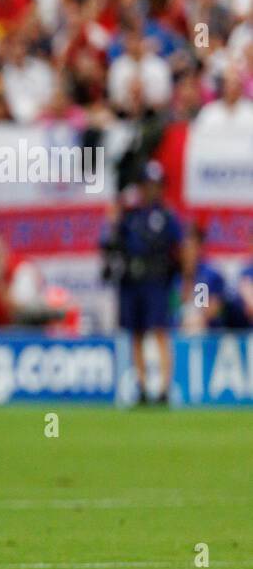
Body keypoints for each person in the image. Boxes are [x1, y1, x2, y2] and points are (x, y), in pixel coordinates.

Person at [100, 172, 181, 405]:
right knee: (136, 333)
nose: (151, 189)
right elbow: (110, 245)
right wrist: (113, 219)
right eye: (147, 185)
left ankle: (164, 389)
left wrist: (183, 281)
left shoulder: (165, 215)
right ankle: (143, 387)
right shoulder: (129, 215)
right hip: (132, 280)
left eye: (155, 185)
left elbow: (178, 247)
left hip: (157, 281)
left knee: (159, 330)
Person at [174, 223, 226, 331]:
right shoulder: (173, 276)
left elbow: (215, 306)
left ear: (200, 248)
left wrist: (198, 318)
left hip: (205, 333)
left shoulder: (211, 276)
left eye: (192, 246)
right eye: (184, 247)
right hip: (175, 332)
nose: (187, 251)